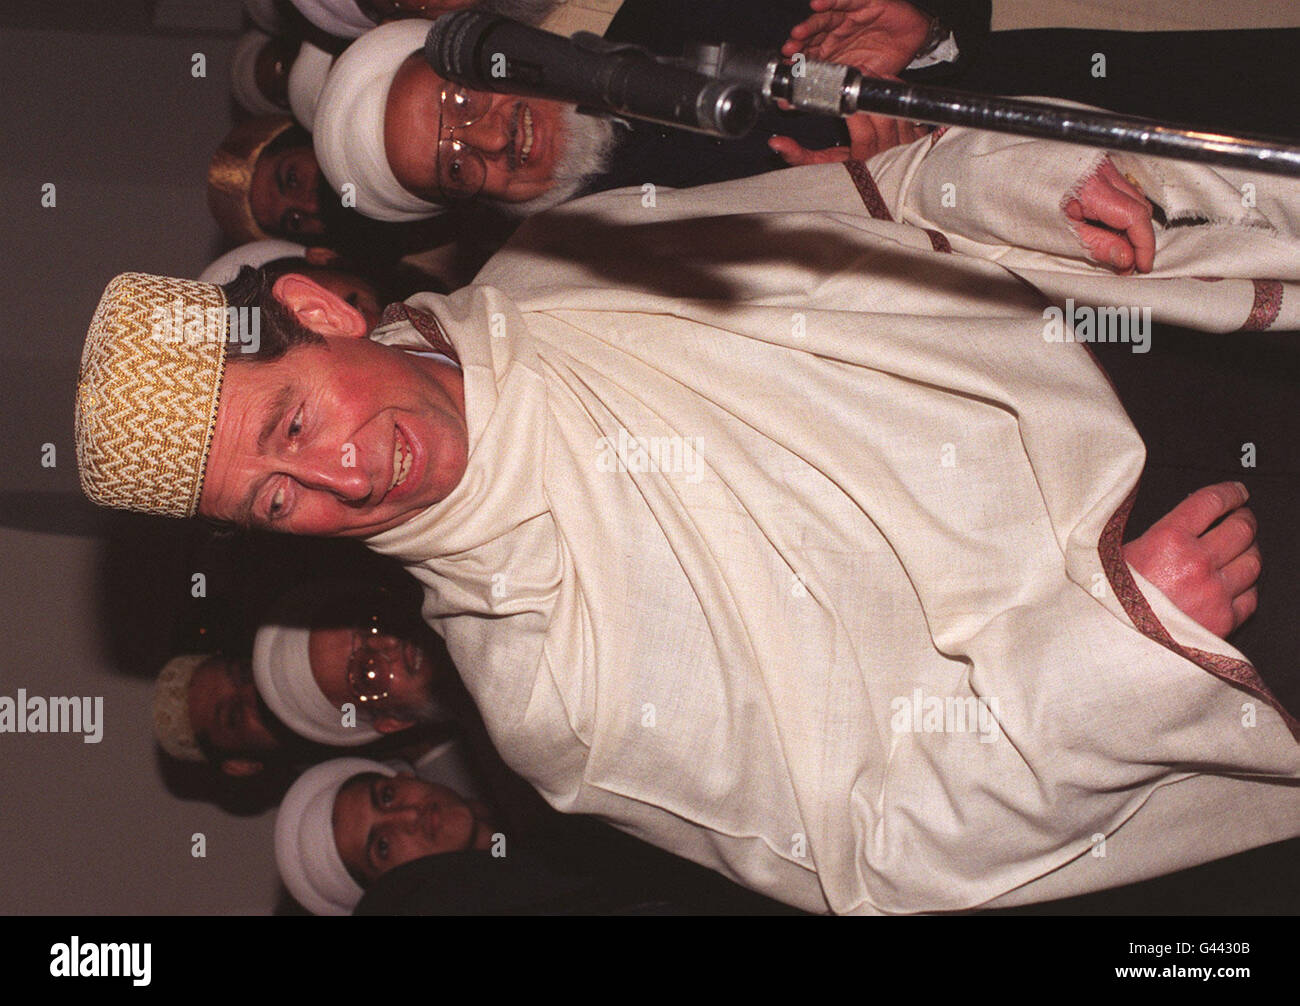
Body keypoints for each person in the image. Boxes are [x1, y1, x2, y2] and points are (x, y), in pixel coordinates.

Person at [78, 139, 1300, 913]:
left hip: (1197, 361)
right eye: (275, 499)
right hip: (1204, 630)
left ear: (310, 308)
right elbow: (873, 853)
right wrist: (1108, 655)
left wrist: (1023, 187)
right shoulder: (550, 692)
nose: (342, 478)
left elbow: (876, 202)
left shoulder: (561, 254)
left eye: (291, 423)